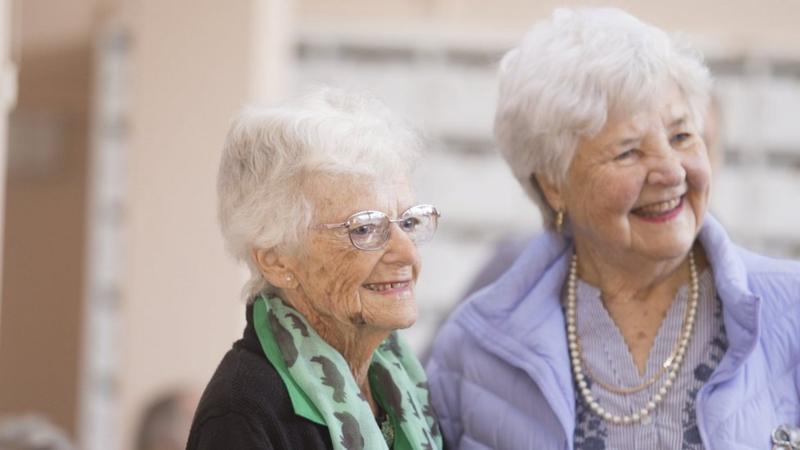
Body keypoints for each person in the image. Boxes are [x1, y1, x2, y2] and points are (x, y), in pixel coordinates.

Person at [426, 8, 800, 450]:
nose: (672, 172)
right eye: (628, 152)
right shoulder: (475, 352)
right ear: (553, 184)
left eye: (682, 137)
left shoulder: (790, 311)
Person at [186, 89, 443, 450]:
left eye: (408, 222)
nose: (407, 253)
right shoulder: (242, 415)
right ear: (276, 259)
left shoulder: (398, 378)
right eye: (364, 228)